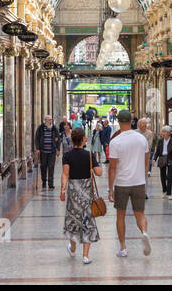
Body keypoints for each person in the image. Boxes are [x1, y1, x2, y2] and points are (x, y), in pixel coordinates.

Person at [106, 109, 152, 258]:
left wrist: (110, 189)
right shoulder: (141, 139)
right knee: (140, 213)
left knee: (121, 215)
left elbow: (112, 168)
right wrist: (142, 177)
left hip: (122, 183)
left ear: (118, 122)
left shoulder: (115, 142)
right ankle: (144, 232)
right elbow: (147, 162)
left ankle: (123, 248)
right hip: (138, 182)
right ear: (132, 122)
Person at [60, 127, 101, 264]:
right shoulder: (89, 155)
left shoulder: (67, 156)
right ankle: (85, 256)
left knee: (72, 220)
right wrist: (97, 166)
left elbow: (65, 174)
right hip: (86, 195)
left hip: (73, 193)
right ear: (84, 139)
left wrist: (62, 190)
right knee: (87, 222)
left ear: (72, 140)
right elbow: (99, 173)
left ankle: (72, 249)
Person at [34, 115, 59, 189]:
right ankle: (44, 182)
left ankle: (50, 183)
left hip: (52, 151)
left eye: (51, 120)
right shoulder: (41, 128)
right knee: (43, 166)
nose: (50, 121)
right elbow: (37, 138)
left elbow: (58, 138)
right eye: (49, 120)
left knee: (51, 167)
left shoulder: (54, 128)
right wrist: (37, 148)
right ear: (45, 120)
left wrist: (58, 149)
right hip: (43, 151)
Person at [155, 125, 172, 199]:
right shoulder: (160, 140)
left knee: (169, 177)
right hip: (162, 159)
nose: (163, 133)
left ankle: (169, 193)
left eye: (165, 131)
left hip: (170, 159)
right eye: (163, 131)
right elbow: (158, 151)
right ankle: (164, 191)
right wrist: (154, 159)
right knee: (162, 176)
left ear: (169, 133)